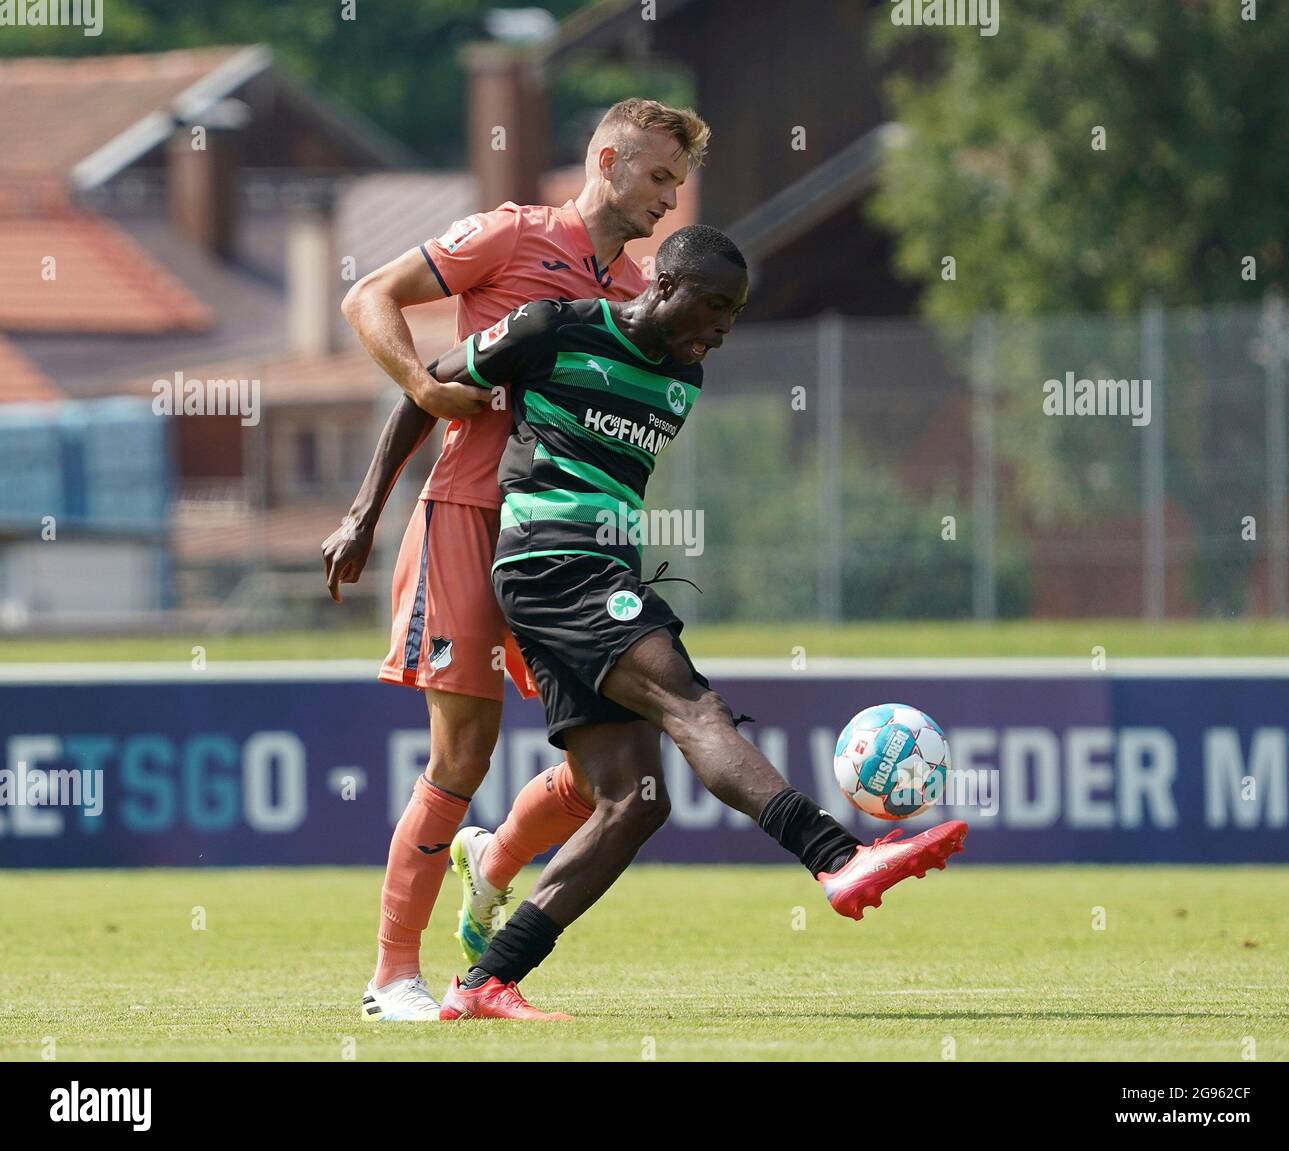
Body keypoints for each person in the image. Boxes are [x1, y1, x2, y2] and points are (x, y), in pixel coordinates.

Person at [396, 223, 969, 1021]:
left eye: (733, 312)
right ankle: (835, 855)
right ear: (661, 286)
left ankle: (485, 981)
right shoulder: (553, 327)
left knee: (634, 800)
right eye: (712, 305)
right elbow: (425, 387)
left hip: (595, 572)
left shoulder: (683, 380)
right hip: (553, 563)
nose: (721, 328)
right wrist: (363, 513)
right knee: (691, 704)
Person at [322, 99, 711, 1020]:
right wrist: (371, 493)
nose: (668, 197)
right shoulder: (507, 235)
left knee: (603, 768)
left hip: (565, 543)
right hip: (466, 514)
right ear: (609, 159)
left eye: (677, 183)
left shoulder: (635, 297)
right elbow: (367, 296)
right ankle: (391, 980)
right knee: (462, 752)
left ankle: (492, 860)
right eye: (658, 175)